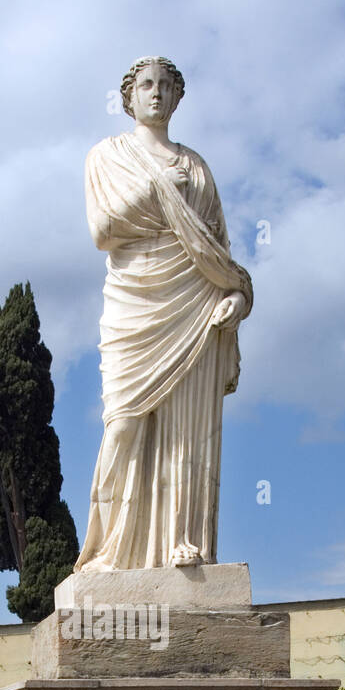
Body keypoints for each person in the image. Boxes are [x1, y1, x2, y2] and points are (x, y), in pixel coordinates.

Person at [75, 55, 253, 572]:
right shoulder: (106, 156)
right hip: (134, 302)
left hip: (197, 304)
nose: (155, 93)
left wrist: (239, 298)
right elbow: (102, 229)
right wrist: (157, 190)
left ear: (177, 98)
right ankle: (109, 550)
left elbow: (219, 251)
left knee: (188, 429)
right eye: (146, 85)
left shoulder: (196, 168)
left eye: (166, 86)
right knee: (123, 422)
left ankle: (184, 541)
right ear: (128, 97)